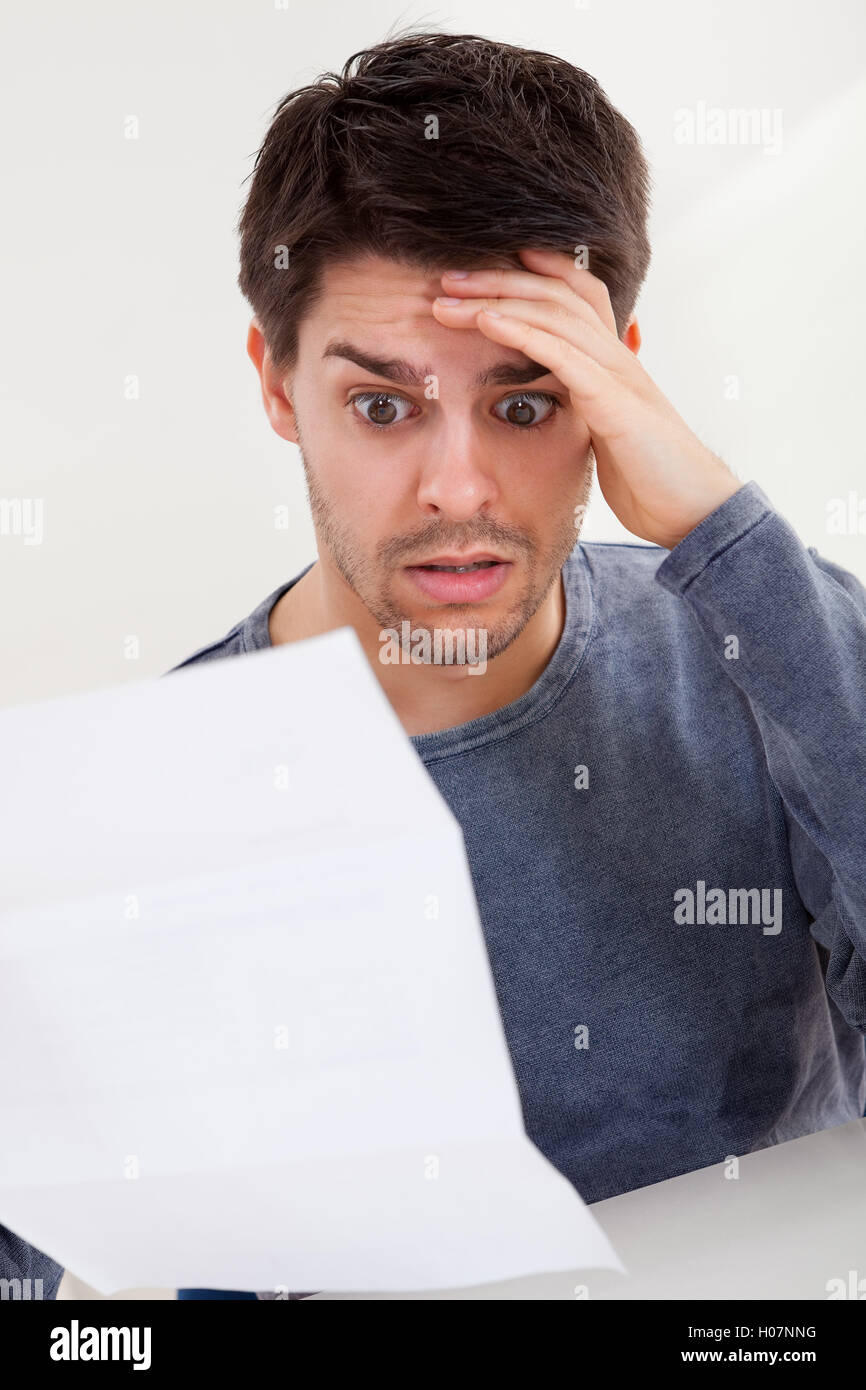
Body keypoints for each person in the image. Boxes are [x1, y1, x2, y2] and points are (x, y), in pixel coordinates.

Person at [11, 28, 864, 1302]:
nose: (457, 486)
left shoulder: (762, 640)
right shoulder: (120, 807)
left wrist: (715, 527)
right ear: (277, 381)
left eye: (524, 401)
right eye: (381, 404)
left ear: (612, 381)